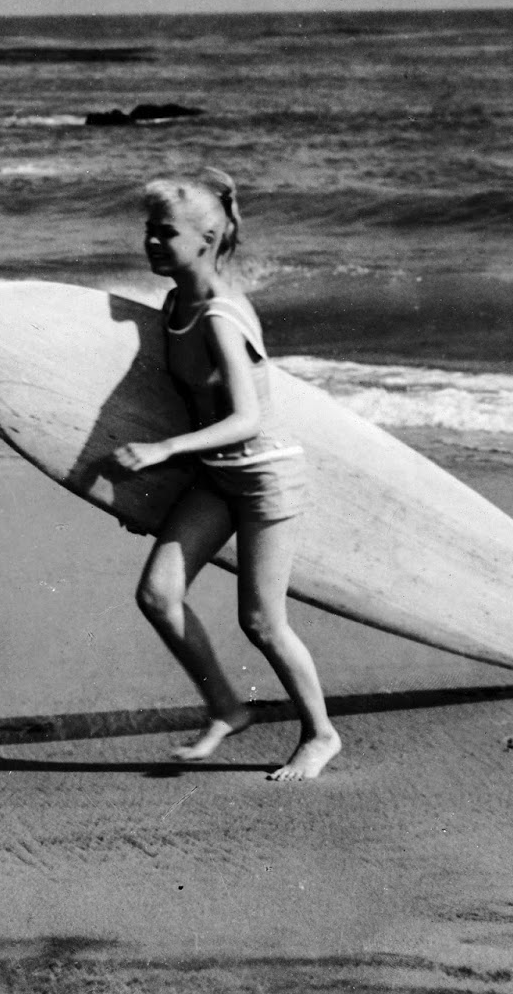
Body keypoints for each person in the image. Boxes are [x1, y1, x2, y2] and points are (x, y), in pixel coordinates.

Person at [112, 169, 342, 781]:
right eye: (148, 232)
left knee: (262, 622)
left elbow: (246, 418)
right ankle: (225, 707)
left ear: (207, 238)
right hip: (216, 476)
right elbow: (189, 406)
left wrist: (162, 452)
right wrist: (151, 492)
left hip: (265, 478)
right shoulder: (173, 305)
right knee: (158, 595)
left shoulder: (219, 315)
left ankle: (320, 735)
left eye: (165, 233)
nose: (152, 243)